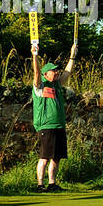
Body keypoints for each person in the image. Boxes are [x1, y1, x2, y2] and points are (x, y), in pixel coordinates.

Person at [31, 40, 76, 192]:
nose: (56, 73)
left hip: (59, 126)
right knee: (44, 157)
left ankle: (52, 184)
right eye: (53, 71)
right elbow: (36, 73)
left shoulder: (56, 84)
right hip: (46, 126)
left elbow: (68, 72)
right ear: (46, 74)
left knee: (56, 157)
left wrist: (72, 56)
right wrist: (34, 55)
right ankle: (39, 185)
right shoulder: (40, 85)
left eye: (57, 71)